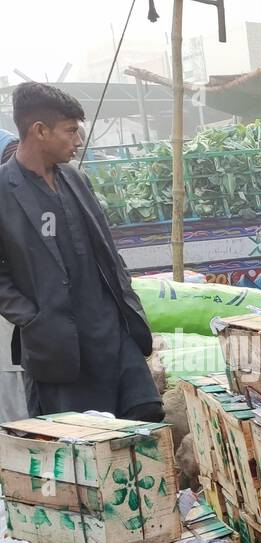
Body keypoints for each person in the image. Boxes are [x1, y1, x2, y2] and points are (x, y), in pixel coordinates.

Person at [0, 83, 160, 420]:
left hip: (111, 333)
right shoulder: (3, 191)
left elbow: (106, 250)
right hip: (57, 346)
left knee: (146, 416)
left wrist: (127, 305)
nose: (78, 140)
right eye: (70, 130)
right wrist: (32, 317)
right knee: (82, 446)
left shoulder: (76, 178)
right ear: (39, 131)